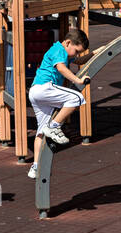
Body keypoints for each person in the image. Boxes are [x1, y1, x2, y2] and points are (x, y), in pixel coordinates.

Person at [26, 28, 91, 180]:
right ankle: (54, 126)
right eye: (76, 51)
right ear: (68, 43)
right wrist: (78, 80)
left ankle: (35, 166)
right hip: (45, 87)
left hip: (35, 93)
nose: (76, 55)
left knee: (41, 131)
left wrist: (94, 53)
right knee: (76, 98)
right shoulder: (58, 49)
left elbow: (80, 61)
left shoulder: (64, 52)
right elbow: (61, 68)